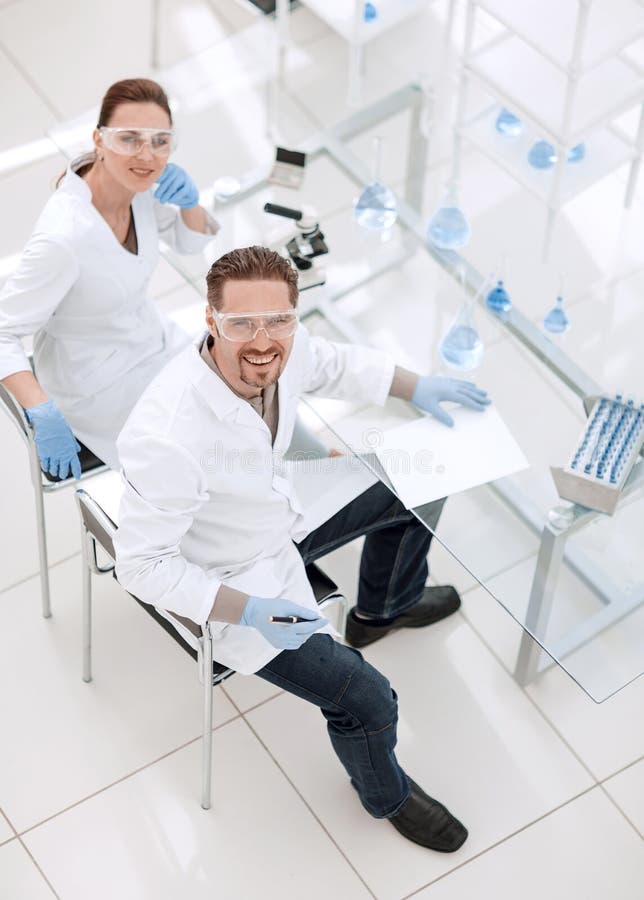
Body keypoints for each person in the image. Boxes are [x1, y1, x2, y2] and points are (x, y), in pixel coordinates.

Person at [114, 246, 491, 850]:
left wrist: (416, 386)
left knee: (423, 481)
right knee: (367, 698)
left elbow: (333, 364)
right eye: (240, 324)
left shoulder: (282, 342)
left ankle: (381, 609)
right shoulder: (168, 434)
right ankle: (385, 795)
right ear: (211, 322)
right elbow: (140, 565)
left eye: (279, 320)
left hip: (278, 509)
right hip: (232, 575)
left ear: (293, 313)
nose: (262, 341)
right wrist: (249, 611)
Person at [0, 77, 217, 475]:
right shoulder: (65, 237)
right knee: (205, 454)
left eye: (160, 141)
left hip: (151, 339)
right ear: (99, 140)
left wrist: (190, 201)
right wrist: (40, 410)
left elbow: (189, 242)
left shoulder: (140, 189)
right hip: (97, 385)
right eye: (129, 139)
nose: (147, 156)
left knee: (249, 398)